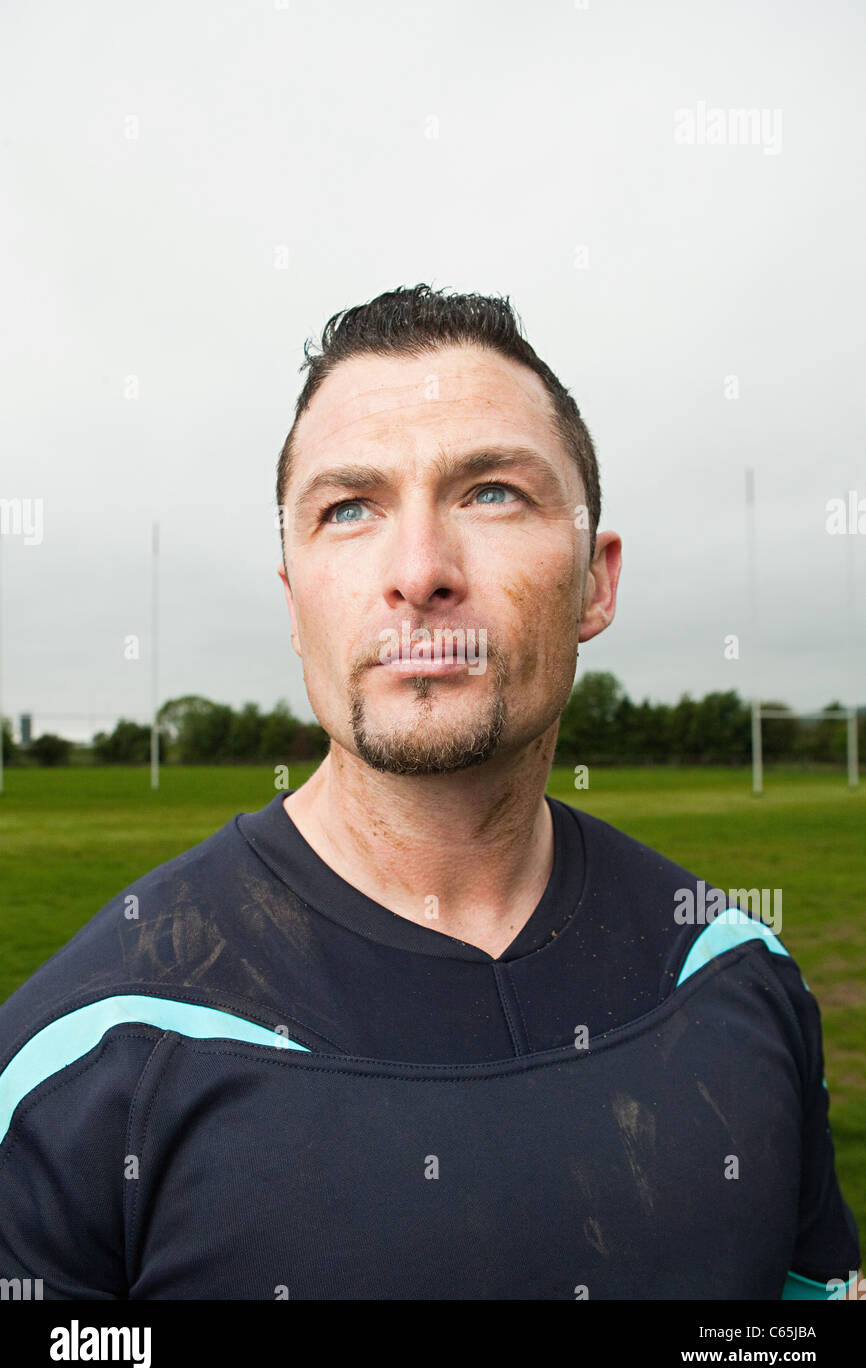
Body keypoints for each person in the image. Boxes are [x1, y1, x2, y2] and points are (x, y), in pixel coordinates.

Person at [0, 284, 860, 1300]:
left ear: (595, 581)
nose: (418, 571)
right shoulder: (82, 1054)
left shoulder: (734, 972)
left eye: (491, 490)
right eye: (348, 508)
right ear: (294, 601)